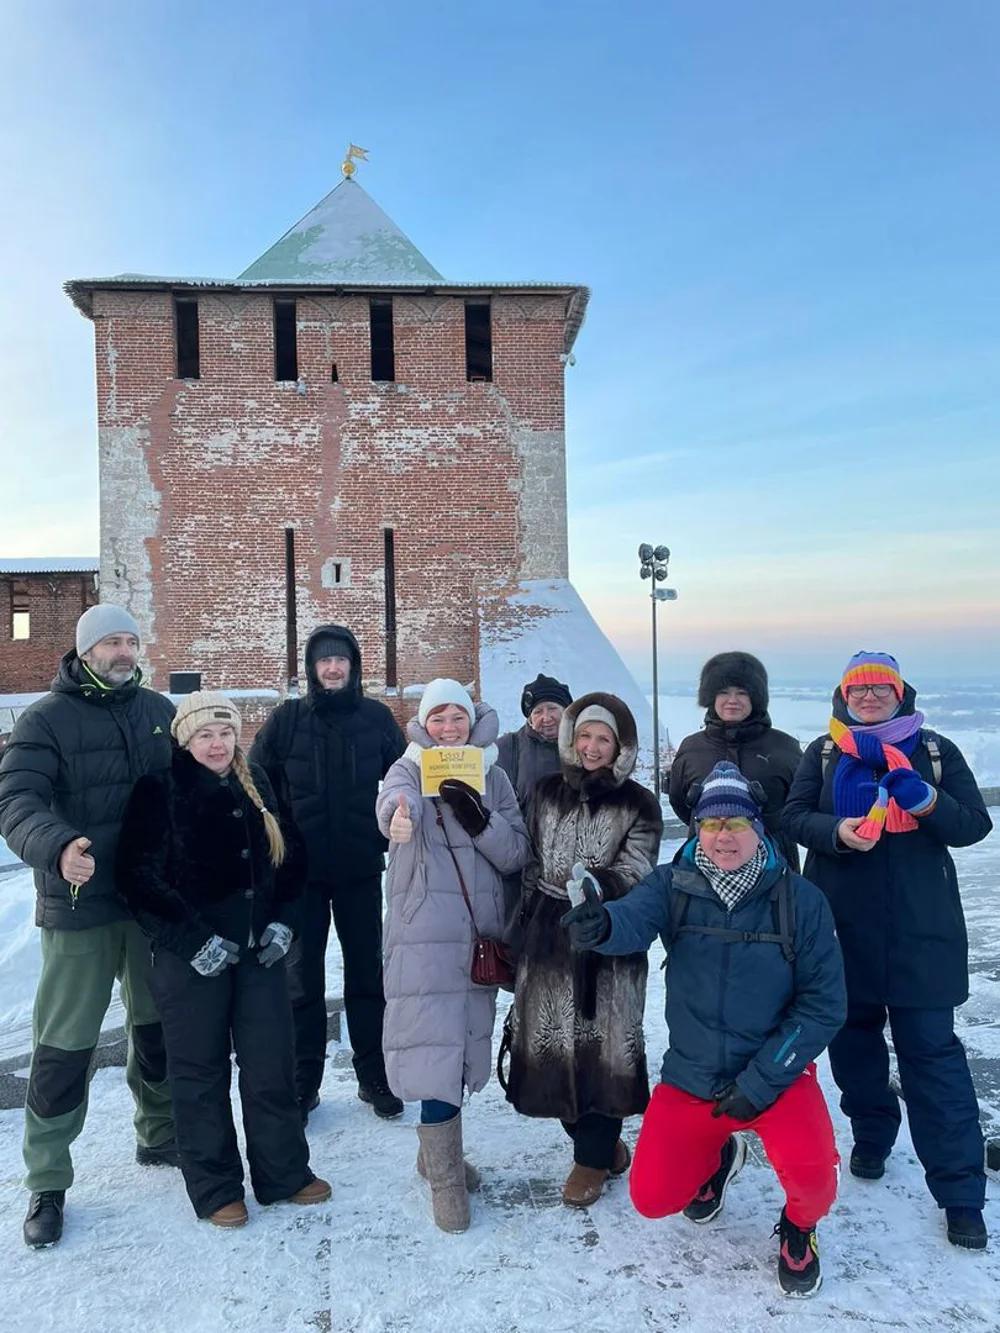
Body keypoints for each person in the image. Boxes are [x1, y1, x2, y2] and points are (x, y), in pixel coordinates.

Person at [564, 762, 845, 1298]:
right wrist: (602, 926)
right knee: (652, 1199)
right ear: (696, 830)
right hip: (693, 1074)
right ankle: (716, 1161)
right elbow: (632, 920)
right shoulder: (675, 883)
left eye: (735, 823)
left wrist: (762, 1082)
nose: (723, 835)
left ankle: (799, 1232)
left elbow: (824, 1005)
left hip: (775, 1076)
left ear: (757, 828)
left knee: (814, 1185)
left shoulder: (799, 899)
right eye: (711, 824)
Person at [783, 651, 993, 1251]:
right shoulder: (823, 754)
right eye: (858, 689)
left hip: (923, 936)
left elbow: (973, 824)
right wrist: (837, 832)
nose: (869, 697)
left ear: (901, 693)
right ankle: (873, 1134)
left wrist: (925, 801)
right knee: (853, 1045)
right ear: (843, 697)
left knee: (933, 1057)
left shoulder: (934, 750)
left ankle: (960, 1193)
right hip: (842, 931)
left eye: (881, 688)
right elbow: (795, 817)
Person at [117, 692, 331, 1228]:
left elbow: (294, 860)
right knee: (199, 1073)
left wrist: (284, 923)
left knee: (269, 1064)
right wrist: (194, 943)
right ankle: (216, 1190)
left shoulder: (255, 783)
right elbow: (138, 879)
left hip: (259, 952)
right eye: (205, 735)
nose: (217, 744)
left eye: (225, 733)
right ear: (184, 740)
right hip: (190, 960)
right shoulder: (158, 789)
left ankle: (284, 1174)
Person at [0, 604, 177, 1249]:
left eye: (132, 639)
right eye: (111, 642)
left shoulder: (161, 713)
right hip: (80, 905)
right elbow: (17, 800)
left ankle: (158, 1132)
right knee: (65, 1044)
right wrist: (57, 845)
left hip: (149, 904)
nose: (124, 651)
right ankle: (47, 1178)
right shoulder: (46, 719)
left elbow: (189, 793)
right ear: (85, 650)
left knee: (156, 1024)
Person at [376, 679, 530, 1233]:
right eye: (437, 718)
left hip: (476, 935)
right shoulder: (409, 767)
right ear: (424, 723)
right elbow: (392, 806)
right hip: (423, 933)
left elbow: (515, 853)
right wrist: (399, 817)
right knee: (431, 1052)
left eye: (456, 718)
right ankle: (445, 1181)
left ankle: (433, 1155)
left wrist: (478, 820)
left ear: (471, 721)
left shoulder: (493, 774)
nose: (447, 728)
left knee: (461, 1049)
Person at [504, 692, 663, 1208]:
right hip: (548, 934)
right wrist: (522, 926)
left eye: (604, 738)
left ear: (620, 746)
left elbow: (637, 865)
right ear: (572, 739)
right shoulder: (547, 791)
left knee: (601, 1050)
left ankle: (591, 1160)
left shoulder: (638, 803)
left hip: (608, 934)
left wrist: (597, 889)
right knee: (551, 1047)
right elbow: (528, 861)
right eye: (586, 736)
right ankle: (600, 1147)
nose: (593, 747)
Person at [250, 624, 405, 1122]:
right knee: (302, 978)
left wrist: (397, 821)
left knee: (367, 975)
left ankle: (374, 1075)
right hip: (302, 875)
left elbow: (403, 778)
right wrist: (274, 839)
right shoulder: (287, 721)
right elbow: (257, 783)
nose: (333, 668)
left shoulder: (376, 719)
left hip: (360, 867)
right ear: (311, 668)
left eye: (341, 660)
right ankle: (304, 1080)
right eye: (324, 661)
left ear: (354, 666)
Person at [669, 651, 803, 869]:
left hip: (776, 869)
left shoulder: (784, 748)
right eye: (723, 692)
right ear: (711, 697)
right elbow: (681, 803)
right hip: (704, 869)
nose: (732, 701)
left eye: (742, 693)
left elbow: (800, 805)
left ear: (756, 698)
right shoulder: (692, 748)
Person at [496, 672, 572, 817]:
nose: (546, 717)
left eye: (552, 708)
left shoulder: (583, 745)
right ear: (530, 717)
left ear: (566, 710)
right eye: (538, 712)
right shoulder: (509, 747)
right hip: (529, 836)